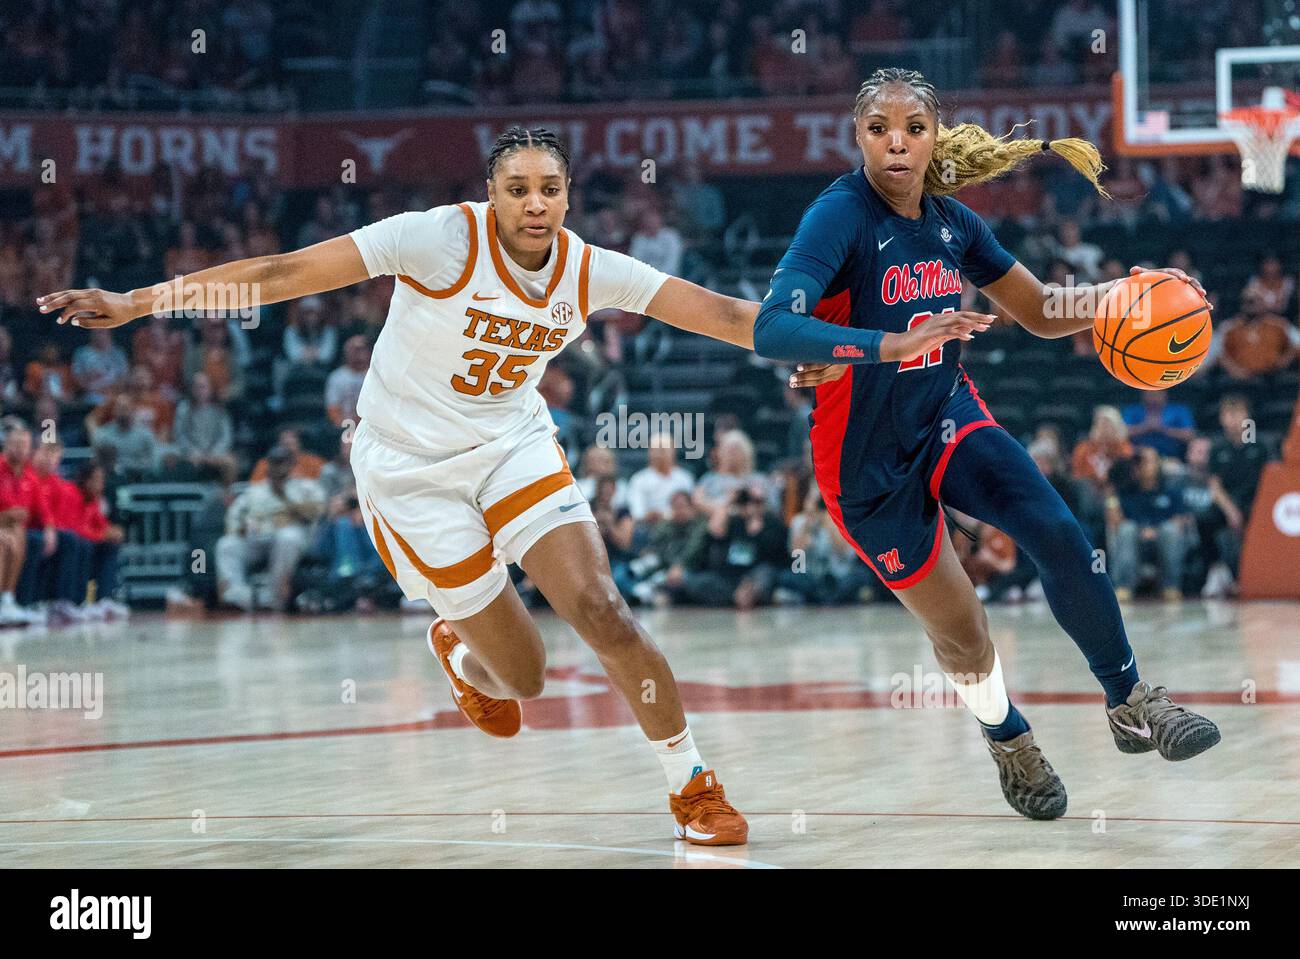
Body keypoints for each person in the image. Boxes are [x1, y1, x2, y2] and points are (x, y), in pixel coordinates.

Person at [38, 125, 785, 847]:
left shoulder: (588, 270)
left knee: (603, 608)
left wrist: (825, 348)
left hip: (510, 444)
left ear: (568, 199)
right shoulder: (436, 241)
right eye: (516, 188)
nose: (533, 203)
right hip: (408, 470)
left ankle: (692, 784)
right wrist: (140, 302)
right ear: (489, 196)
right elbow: (279, 273)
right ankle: (460, 651)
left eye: (548, 189)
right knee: (523, 679)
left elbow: (720, 313)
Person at [755, 68, 1219, 821]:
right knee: (964, 635)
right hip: (863, 465)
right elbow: (774, 326)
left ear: (934, 134)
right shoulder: (837, 216)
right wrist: (889, 343)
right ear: (857, 135)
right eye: (879, 128)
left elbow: (1037, 309)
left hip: (944, 412)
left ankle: (1131, 699)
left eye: (913, 127)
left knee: (1059, 531)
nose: (897, 142)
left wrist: (1113, 298)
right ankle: (1008, 737)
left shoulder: (952, 222)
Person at [215, 445, 326, 612]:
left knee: (287, 538)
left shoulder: (306, 487)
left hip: (292, 536)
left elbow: (317, 512)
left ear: (291, 464)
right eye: (274, 462)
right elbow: (235, 513)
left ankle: (275, 597)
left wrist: (285, 496)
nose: (278, 467)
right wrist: (239, 528)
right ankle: (240, 597)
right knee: (227, 544)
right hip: (258, 537)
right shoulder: (256, 490)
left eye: (282, 462)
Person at [1106, 447, 1192, 601]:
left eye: (1148, 461)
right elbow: (1115, 519)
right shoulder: (1125, 489)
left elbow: (1180, 518)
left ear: (1158, 464)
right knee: (1126, 530)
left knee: (1171, 530)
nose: (1144, 465)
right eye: (1140, 462)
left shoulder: (1170, 489)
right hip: (1135, 538)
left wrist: (1155, 530)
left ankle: (1171, 585)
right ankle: (1124, 586)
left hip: (1162, 536)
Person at [624, 431, 695, 523]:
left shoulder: (685, 478)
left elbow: (691, 510)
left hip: (681, 526)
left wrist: (667, 515)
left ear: (673, 450)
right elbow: (637, 513)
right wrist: (652, 516)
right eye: (654, 450)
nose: (658, 454)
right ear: (649, 452)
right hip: (651, 527)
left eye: (662, 449)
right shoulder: (639, 480)